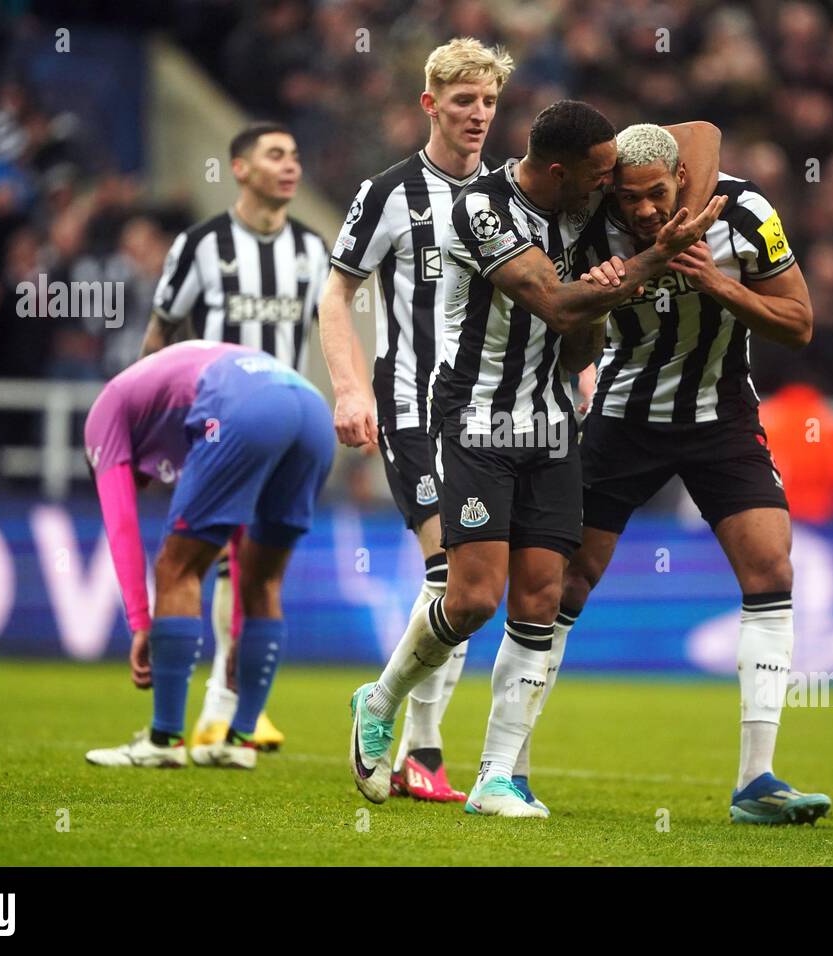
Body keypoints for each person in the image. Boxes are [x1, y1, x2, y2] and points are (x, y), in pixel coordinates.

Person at [347, 100, 726, 816]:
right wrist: (663, 253)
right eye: (602, 174)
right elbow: (554, 302)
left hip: (553, 422)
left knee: (541, 598)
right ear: (561, 172)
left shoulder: (582, 204)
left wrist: (678, 220)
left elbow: (700, 133)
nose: (612, 187)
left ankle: (497, 776)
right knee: (473, 599)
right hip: (478, 421)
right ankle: (380, 698)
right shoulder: (480, 211)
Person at [547, 124, 830, 824]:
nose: (644, 211)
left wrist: (716, 285)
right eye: (629, 199)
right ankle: (507, 766)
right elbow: (569, 331)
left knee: (771, 570)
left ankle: (756, 781)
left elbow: (797, 324)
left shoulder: (745, 216)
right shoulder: (586, 232)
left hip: (721, 417)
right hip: (622, 415)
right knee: (566, 582)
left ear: (682, 180)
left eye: (657, 195)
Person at [318, 38, 515, 802]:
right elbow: (337, 294)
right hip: (408, 405)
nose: (477, 115)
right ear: (430, 104)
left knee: (466, 586)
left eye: (489, 102)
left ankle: (409, 738)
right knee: (451, 575)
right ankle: (417, 744)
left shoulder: (506, 196)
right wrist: (347, 388)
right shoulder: (389, 192)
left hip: (490, 414)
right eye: (463, 100)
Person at [137, 122, 330, 752]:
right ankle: (224, 709)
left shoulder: (311, 250)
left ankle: (227, 709)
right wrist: (151, 425)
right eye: (276, 154)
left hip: (284, 426)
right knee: (217, 561)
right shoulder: (201, 245)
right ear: (239, 168)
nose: (291, 166)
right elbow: (160, 333)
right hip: (218, 424)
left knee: (257, 569)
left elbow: (327, 334)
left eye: (296, 155)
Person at [83, 341, 333, 769]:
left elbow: (121, 525)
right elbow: (234, 527)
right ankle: (240, 740)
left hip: (245, 406)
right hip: (311, 410)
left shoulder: (105, 414)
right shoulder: (172, 407)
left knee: (174, 567)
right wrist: (238, 630)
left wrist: (141, 624)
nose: (146, 484)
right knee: (264, 581)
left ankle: (164, 741)